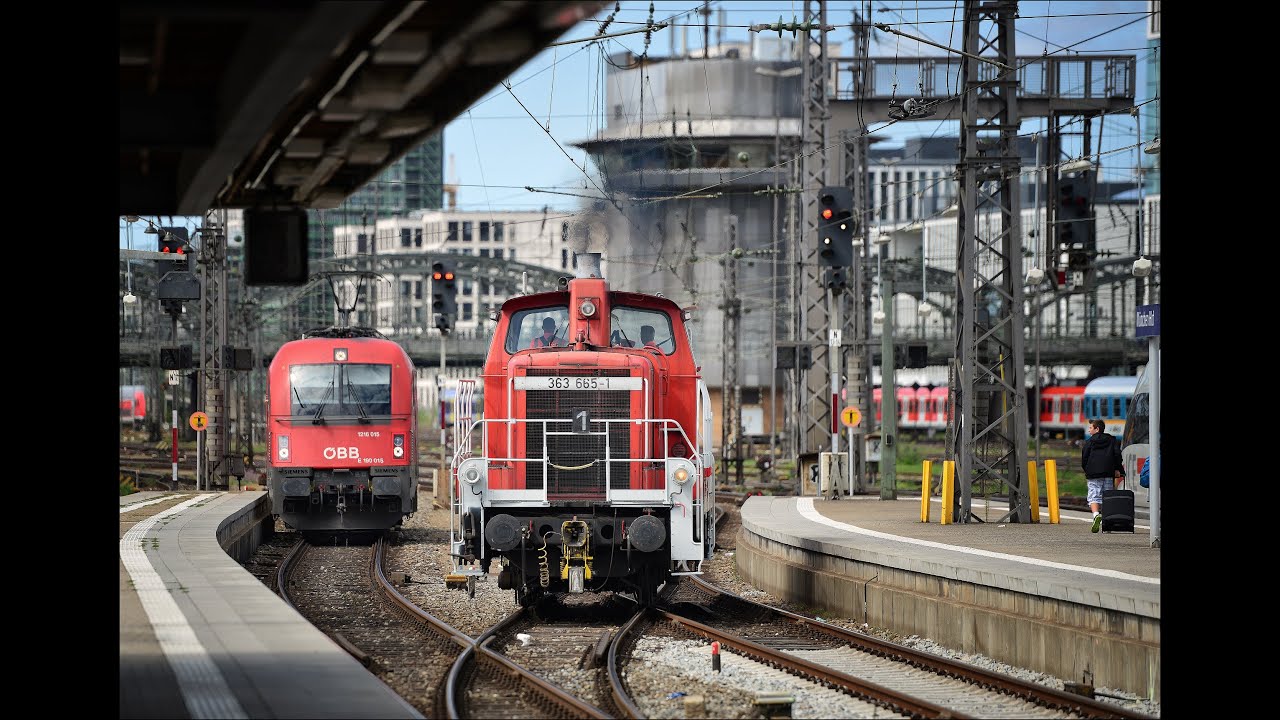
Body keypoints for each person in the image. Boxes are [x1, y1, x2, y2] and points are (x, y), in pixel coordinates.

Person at [1081, 418, 1124, 533]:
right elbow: (1117, 455)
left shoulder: (1089, 442)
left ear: (1097, 429)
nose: (1089, 430)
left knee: (1094, 496)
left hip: (1093, 473)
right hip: (1109, 473)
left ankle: (1096, 515)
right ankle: (1107, 522)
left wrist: (1087, 469)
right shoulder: (1112, 440)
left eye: (1090, 428)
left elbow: (1084, 458)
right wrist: (1118, 469)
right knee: (1107, 496)